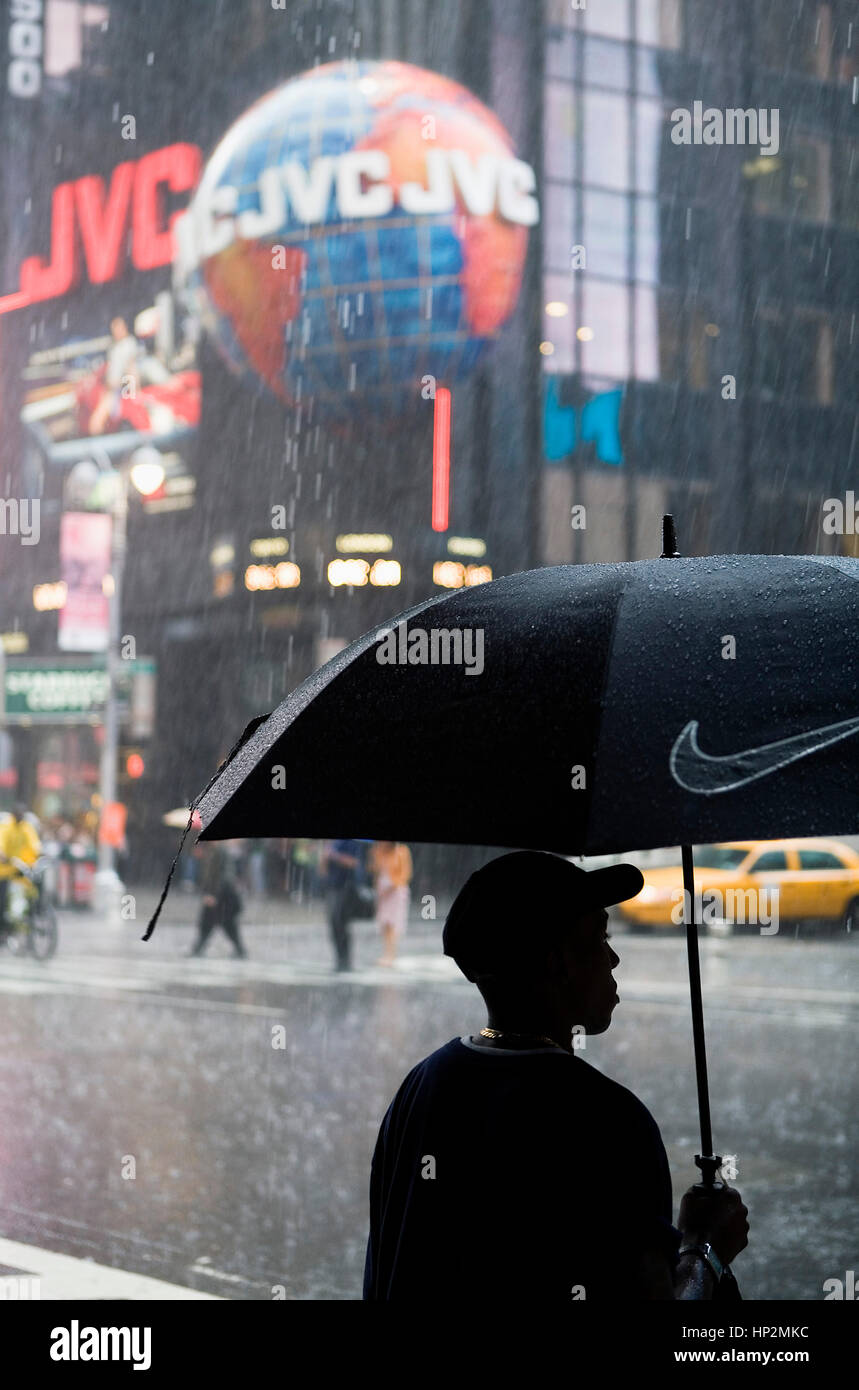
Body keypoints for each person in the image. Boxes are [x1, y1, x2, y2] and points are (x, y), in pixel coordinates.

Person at [363, 850, 749, 1302]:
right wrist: (705, 1248)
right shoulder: (610, 1120)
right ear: (556, 962)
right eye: (599, 937)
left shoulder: (421, 1086)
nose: (614, 957)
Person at [190, 842, 247, 959]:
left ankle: (240, 950)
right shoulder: (209, 851)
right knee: (210, 924)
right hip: (215, 895)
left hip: (223, 896)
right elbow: (207, 876)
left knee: (226, 924)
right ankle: (198, 948)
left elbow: (225, 876)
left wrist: (214, 895)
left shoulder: (221, 852)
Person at [323, 839, 366, 972]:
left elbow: (354, 862)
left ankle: (345, 959)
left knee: (341, 922)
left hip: (346, 887)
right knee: (334, 923)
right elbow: (323, 868)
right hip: (332, 886)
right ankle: (339, 957)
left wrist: (335, 856)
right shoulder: (333, 843)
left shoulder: (351, 843)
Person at [0, 803, 42, 935]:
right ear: (14, 815)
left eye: (22, 815)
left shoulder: (25, 827)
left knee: (30, 888)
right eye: (19, 815)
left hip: (17, 867)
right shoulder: (6, 826)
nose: (21, 818)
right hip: (3, 870)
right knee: (2, 901)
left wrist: (40, 853)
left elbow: (34, 843)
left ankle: (25, 918)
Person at [369, 842, 412, 967]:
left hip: (396, 891)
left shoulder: (402, 851)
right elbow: (374, 870)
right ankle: (386, 954)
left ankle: (391, 955)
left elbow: (405, 874)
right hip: (382, 890)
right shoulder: (378, 852)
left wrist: (392, 885)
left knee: (393, 923)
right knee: (384, 923)